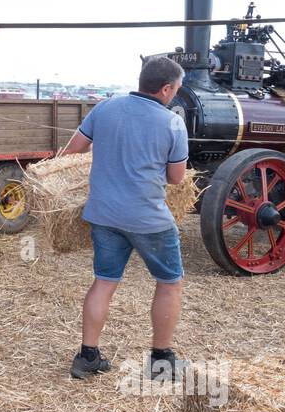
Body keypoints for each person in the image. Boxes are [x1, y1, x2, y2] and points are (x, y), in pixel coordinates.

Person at [60, 56, 190, 381]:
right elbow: (176, 178)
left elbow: (72, 149)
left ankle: (87, 355)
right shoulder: (173, 123)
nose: (175, 94)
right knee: (169, 283)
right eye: (176, 89)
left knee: (104, 280)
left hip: (103, 214)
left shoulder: (105, 107)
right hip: (148, 218)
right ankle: (161, 359)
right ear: (165, 88)